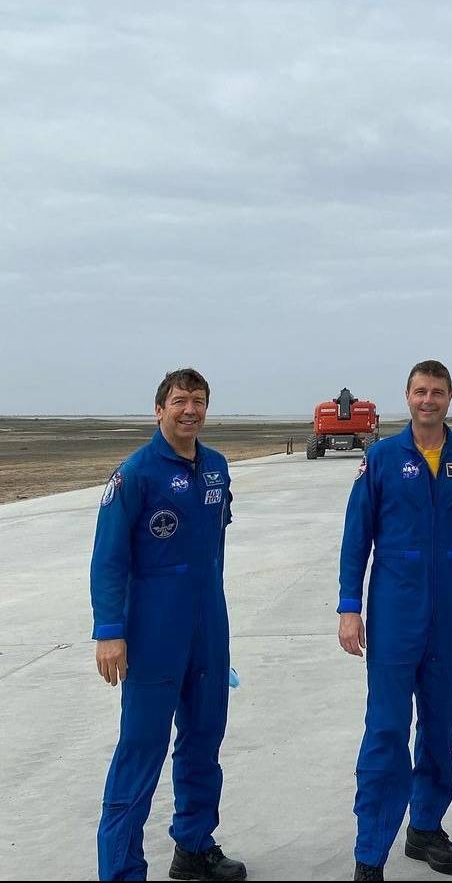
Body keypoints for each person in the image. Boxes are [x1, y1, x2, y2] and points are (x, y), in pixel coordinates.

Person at [338, 360, 452, 882]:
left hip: (448, 615)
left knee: (439, 728)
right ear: (407, 397)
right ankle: (371, 851)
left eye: (437, 392)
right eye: (419, 392)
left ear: (449, 398)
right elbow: (355, 540)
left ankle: (426, 827)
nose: (428, 400)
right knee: (386, 732)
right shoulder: (383, 458)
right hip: (394, 613)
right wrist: (350, 608)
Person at [90, 368, 246, 883]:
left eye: (198, 401)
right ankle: (121, 870)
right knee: (141, 750)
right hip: (153, 636)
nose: (189, 411)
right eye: (179, 401)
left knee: (204, 742)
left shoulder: (217, 468)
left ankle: (194, 847)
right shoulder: (135, 475)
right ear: (159, 409)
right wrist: (110, 631)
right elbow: (108, 559)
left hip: (208, 633)